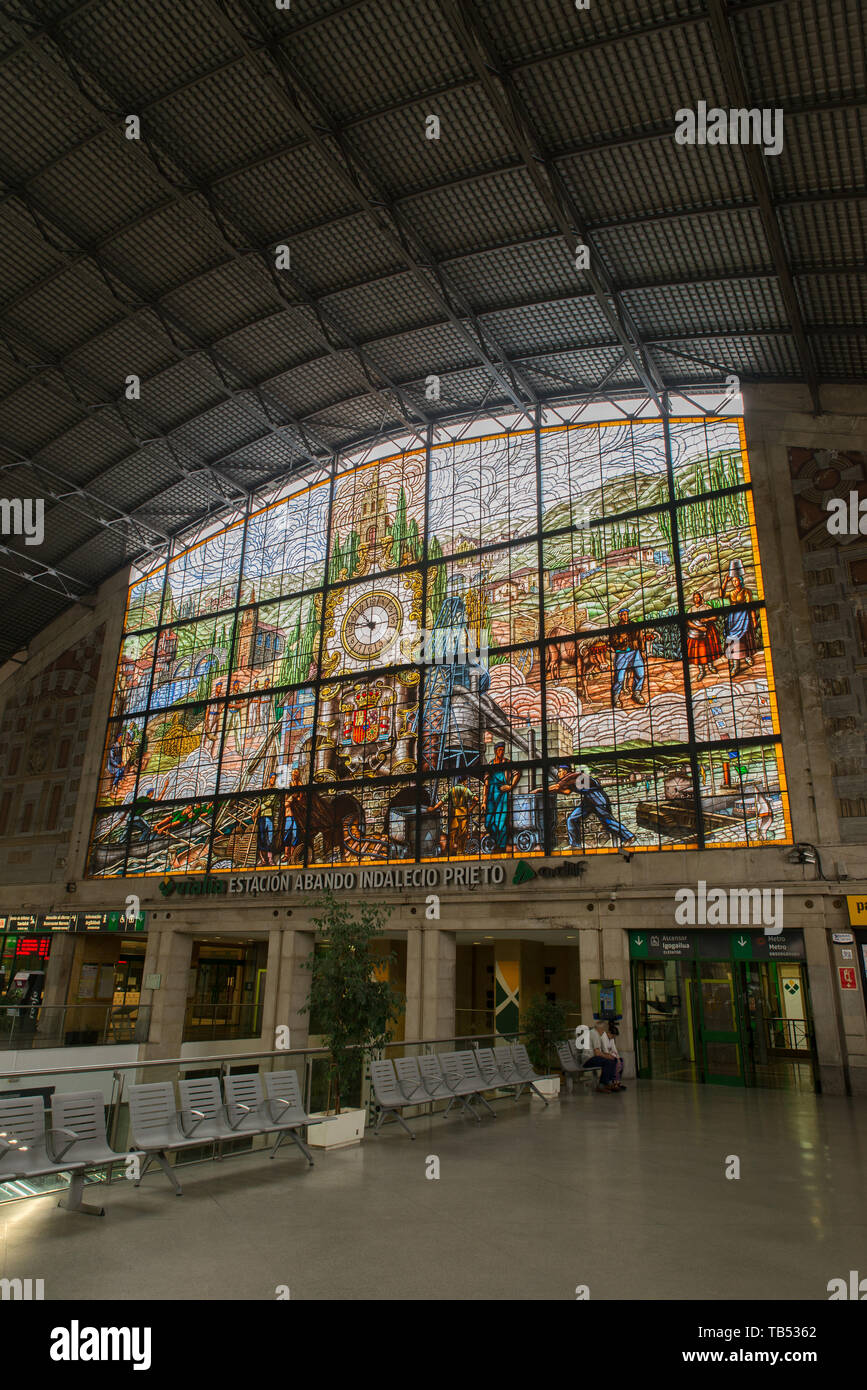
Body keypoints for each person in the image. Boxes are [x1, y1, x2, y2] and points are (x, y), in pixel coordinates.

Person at [536, 764, 635, 848]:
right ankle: (575, 845)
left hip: (596, 796)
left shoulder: (571, 776)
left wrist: (539, 790)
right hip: (588, 798)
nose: (558, 774)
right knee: (572, 819)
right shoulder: (570, 780)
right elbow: (566, 791)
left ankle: (629, 837)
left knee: (607, 820)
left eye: (560, 771)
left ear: (566, 771)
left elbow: (557, 786)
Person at [483, 744, 520, 851]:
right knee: (489, 822)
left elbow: (517, 773)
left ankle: (501, 846)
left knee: (501, 822)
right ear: (495, 751)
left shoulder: (507, 763)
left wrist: (510, 786)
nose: (501, 752)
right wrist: (484, 801)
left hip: (502, 795)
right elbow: (486, 782)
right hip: (491, 795)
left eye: (503, 750)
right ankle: (495, 842)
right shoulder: (490, 764)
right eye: (499, 750)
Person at [686, 591, 722, 681]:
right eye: (694, 598)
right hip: (696, 633)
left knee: (708, 650)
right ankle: (702, 671)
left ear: (701, 598)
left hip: (708, 631)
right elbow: (688, 622)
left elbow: (715, 617)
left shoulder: (707, 607)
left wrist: (707, 619)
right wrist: (697, 627)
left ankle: (711, 666)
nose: (696, 599)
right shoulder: (691, 609)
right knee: (698, 653)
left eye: (698, 597)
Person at [580, 1020, 620, 1093]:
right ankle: (602, 1085)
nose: (604, 1032)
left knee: (612, 1060)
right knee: (608, 1062)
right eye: (604, 1030)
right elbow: (597, 1053)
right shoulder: (595, 1035)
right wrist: (608, 1056)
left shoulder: (593, 1032)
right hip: (588, 1059)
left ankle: (608, 1083)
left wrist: (608, 1055)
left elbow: (599, 1052)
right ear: (601, 1029)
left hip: (590, 1058)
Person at [602, 1019, 626, 1088]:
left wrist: (617, 1057)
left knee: (621, 1061)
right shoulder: (603, 1037)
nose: (613, 1037)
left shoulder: (611, 1038)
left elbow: (614, 1049)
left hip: (610, 1055)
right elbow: (605, 1051)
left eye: (614, 1036)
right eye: (613, 1036)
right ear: (609, 1032)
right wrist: (615, 1057)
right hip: (603, 1055)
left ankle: (617, 1081)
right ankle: (611, 1082)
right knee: (613, 1062)